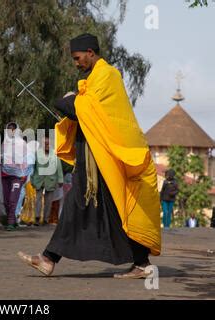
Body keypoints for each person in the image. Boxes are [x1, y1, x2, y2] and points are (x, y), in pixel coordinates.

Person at [18, 33, 161, 279]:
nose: (76, 63)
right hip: (93, 153)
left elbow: (85, 110)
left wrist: (68, 101)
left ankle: (49, 259)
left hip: (103, 155)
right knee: (109, 205)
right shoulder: (94, 79)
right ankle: (141, 263)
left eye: (77, 58)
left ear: (90, 53)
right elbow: (84, 111)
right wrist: (73, 102)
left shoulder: (107, 75)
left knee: (82, 201)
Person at [0, 122, 29, 231]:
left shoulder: (22, 144)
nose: (11, 131)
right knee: (6, 200)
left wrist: (24, 175)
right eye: (9, 129)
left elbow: (26, 160)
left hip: (18, 176)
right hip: (5, 174)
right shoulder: (4, 143)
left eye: (13, 129)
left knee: (12, 199)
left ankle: (10, 222)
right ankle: (13, 220)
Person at [30, 137, 64, 226]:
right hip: (39, 179)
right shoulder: (37, 154)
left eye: (48, 144)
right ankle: (37, 218)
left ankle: (46, 219)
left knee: (48, 201)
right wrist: (32, 179)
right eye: (45, 144)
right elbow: (33, 168)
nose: (47, 145)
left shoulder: (55, 154)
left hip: (51, 180)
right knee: (38, 199)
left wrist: (60, 179)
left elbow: (59, 167)